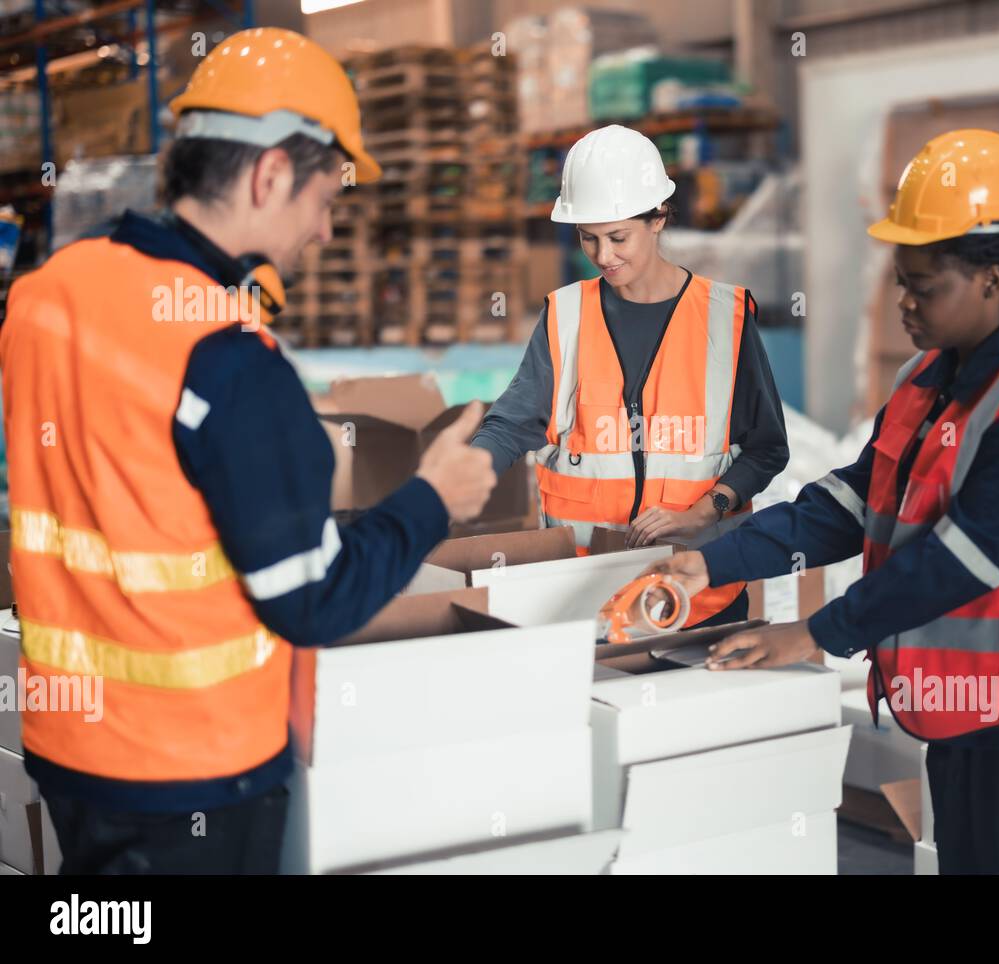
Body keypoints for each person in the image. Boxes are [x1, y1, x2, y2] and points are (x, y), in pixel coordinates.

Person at [0, 27, 495, 874]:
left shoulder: (45, 296)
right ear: (269, 175)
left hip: (67, 751)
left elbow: (130, 457)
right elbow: (314, 600)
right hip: (193, 781)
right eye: (325, 198)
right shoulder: (229, 358)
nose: (328, 232)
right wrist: (433, 498)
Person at [643, 129, 999, 874]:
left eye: (925, 285)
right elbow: (849, 503)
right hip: (974, 711)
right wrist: (711, 563)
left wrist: (815, 633)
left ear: (993, 279)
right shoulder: (929, 378)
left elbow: (965, 557)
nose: (905, 303)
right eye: (900, 281)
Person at [472, 124, 788, 628]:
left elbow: (768, 448)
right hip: (583, 599)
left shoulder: (725, 319)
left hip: (699, 600)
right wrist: (460, 476)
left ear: (659, 218)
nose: (603, 257)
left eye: (618, 237)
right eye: (588, 239)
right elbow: (513, 424)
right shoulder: (566, 315)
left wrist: (707, 508)